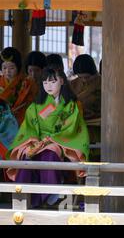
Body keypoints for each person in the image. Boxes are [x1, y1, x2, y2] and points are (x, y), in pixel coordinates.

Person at [6, 67, 90, 208]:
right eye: (45, 83)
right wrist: (33, 140)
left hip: (59, 141)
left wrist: (50, 140)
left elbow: (71, 127)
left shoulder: (70, 105)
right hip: (37, 141)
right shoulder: (36, 105)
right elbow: (29, 126)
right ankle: (23, 197)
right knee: (26, 154)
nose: (48, 86)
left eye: (52, 82)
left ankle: (51, 195)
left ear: (62, 81)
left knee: (49, 153)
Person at [70, 54, 101, 161]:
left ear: (94, 72)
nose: (84, 80)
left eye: (87, 77)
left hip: (96, 130)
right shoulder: (72, 84)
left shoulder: (103, 83)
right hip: (76, 130)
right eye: (80, 77)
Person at [0, 47, 37, 124]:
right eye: (4, 68)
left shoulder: (28, 83)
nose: (7, 71)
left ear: (18, 67)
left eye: (12, 68)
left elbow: (33, 104)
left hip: (22, 122)